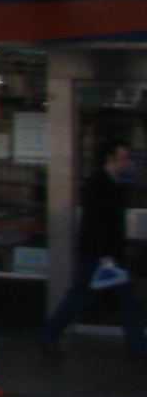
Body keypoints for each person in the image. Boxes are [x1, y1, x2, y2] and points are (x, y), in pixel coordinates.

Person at [38, 141, 144, 363]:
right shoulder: (102, 185)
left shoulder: (106, 183)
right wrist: (106, 255)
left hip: (100, 255)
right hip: (103, 256)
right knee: (123, 300)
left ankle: (49, 335)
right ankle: (138, 347)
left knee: (83, 298)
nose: (127, 162)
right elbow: (97, 223)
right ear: (110, 159)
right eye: (123, 158)